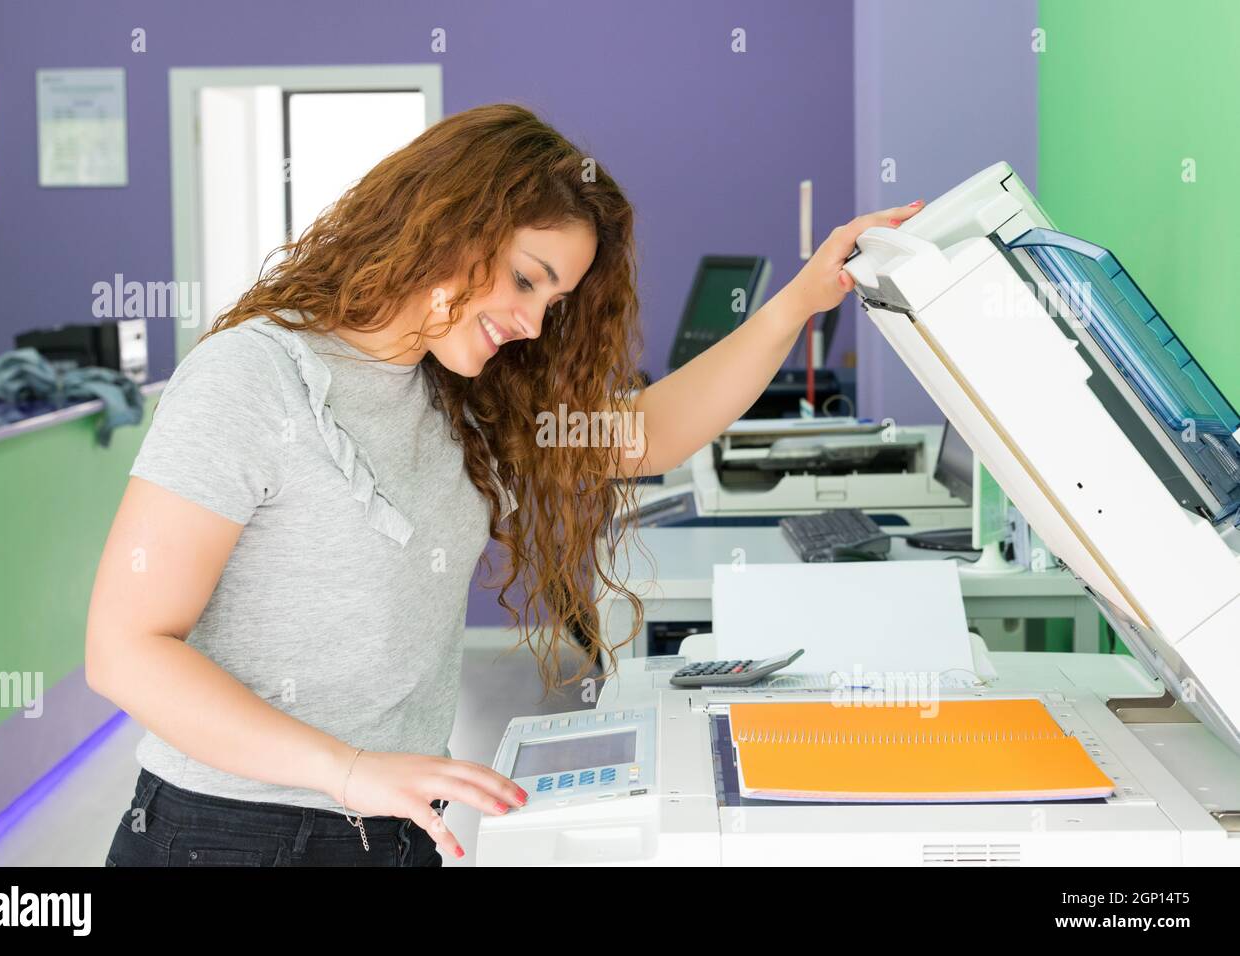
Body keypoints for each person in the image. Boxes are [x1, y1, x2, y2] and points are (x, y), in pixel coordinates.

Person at [85, 102, 921, 866]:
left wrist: (799, 302)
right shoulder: (253, 377)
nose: (531, 322)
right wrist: (347, 770)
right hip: (226, 835)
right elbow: (124, 651)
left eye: (553, 301)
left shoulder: (459, 396)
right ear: (443, 223)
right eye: (526, 279)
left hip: (397, 823)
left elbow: (648, 433)